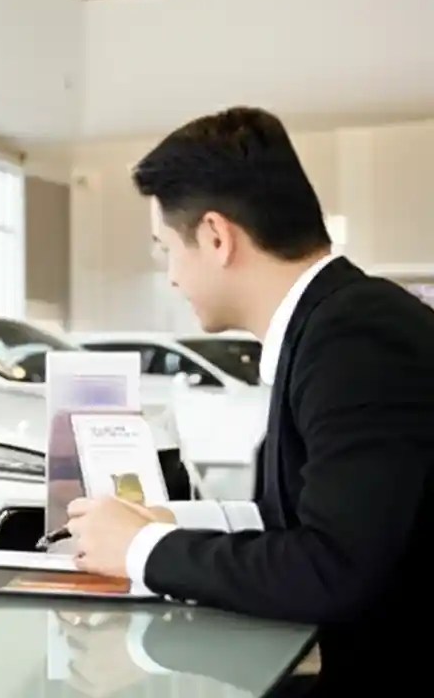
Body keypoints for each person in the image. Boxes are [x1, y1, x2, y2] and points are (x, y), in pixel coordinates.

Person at [63, 107, 434, 695]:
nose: (171, 277)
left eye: (166, 249)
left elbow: (335, 568)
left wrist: (142, 549)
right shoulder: (332, 322)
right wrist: (169, 522)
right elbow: (298, 519)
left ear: (216, 237)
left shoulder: (355, 336)